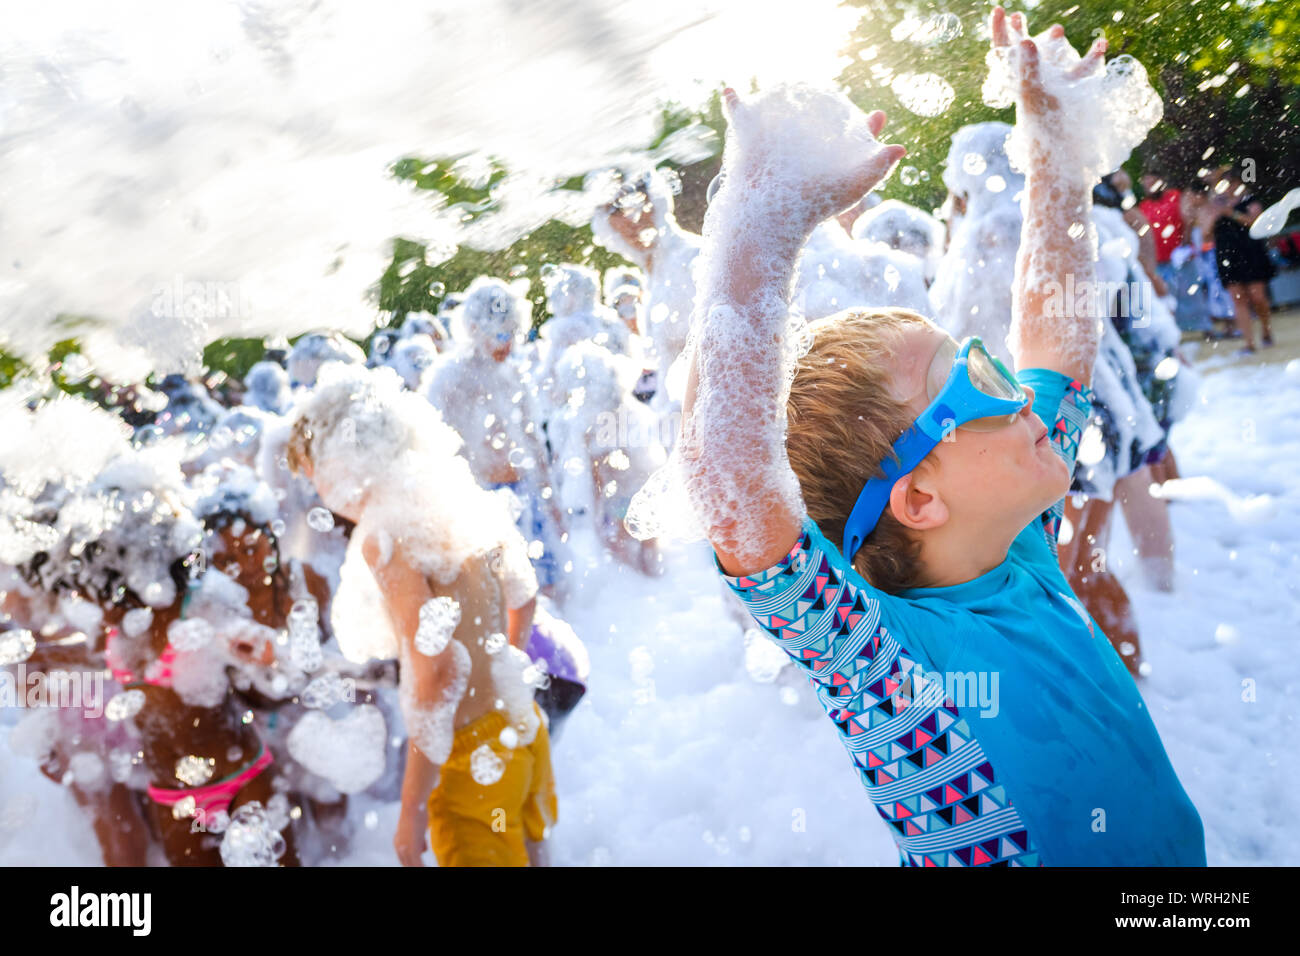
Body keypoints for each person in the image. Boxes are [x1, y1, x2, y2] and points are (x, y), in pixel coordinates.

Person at [670, 9, 1204, 866]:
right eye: (973, 384)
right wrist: (762, 221)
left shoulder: (1016, 544)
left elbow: (1054, 344)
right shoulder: (891, 673)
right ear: (918, 497)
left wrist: (1058, 157)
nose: (1014, 386)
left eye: (980, 362)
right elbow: (732, 491)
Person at [288, 365, 557, 867]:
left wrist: (411, 808)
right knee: (535, 851)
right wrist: (500, 668)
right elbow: (524, 595)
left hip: (470, 760)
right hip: (522, 727)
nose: (316, 490)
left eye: (314, 473)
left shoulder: (382, 536)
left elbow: (432, 673)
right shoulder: (453, 492)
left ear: (347, 459)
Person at [1210, 169, 1277, 353]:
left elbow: (1256, 222)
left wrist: (1230, 213)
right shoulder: (1215, 206)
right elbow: (1206, 233)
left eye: (1230, 183)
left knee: (1258, 297)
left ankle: (1266, 329)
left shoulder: (1250, 201)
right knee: (1238, 300)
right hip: (1227, 256)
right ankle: (1249, 343)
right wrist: (1214, 215)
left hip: (1251, 252)